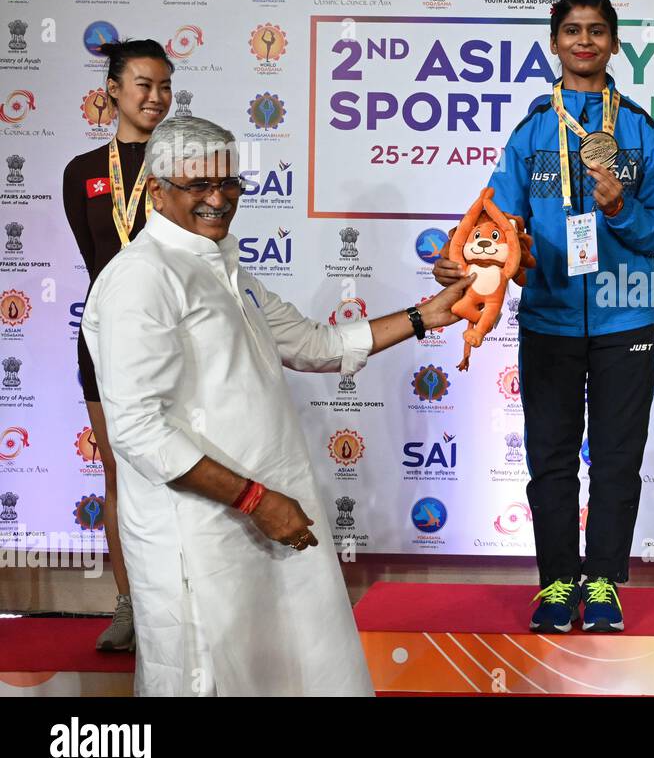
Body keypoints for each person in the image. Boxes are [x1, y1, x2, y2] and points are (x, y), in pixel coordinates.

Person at [82, 116, 474, 696]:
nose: (219, 199)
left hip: (266, 517)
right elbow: (138, 431)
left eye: (230, 183)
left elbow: (318, 344)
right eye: (199, 186)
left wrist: (425, 316)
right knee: (206, 678)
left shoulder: (225, 266)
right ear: (157, 189)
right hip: (198, 534)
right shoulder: (141, 280)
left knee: (290, 672)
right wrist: (254, 499)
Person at [434, 0, 654, 633]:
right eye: (572, 30)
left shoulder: (641, 128)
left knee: (618, 457)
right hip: (548, 317)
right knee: (550, 458)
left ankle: (602, 581)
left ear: (615, 43)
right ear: (555, 43)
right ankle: (555, 584)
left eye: (597, 30)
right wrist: (467, 261)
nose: (584, 41)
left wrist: (622, 206)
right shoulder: (531, 131)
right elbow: (499, 224)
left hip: (625, 315)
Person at [61, 39, 174, 652]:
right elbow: (96, 259)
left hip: (176, 342)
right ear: (113, 89)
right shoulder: (82, 172)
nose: (155, 97)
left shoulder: (183, 163)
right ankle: (129, 607)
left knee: (180, 468)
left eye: (163, 86)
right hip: (105, 343)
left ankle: (177, 606)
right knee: (118, 474)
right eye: (143, 85)